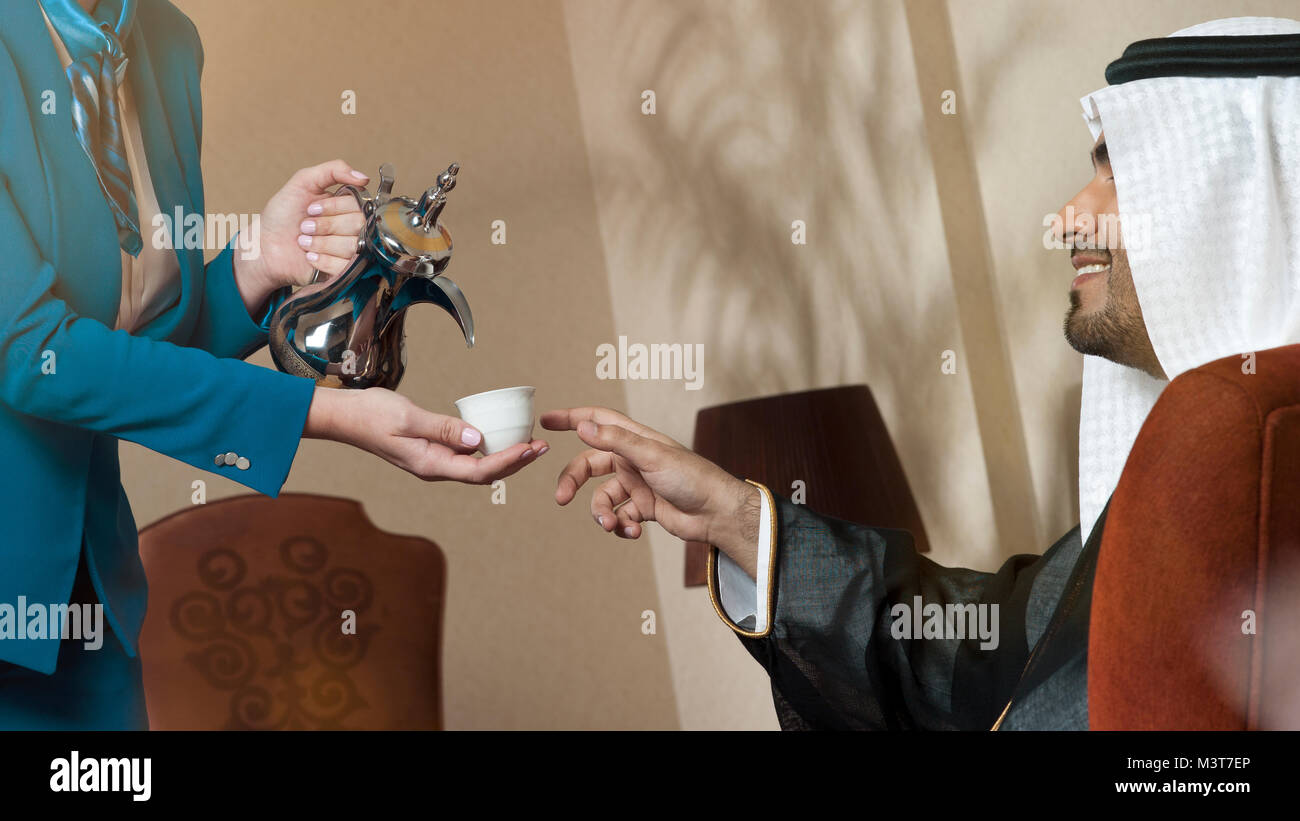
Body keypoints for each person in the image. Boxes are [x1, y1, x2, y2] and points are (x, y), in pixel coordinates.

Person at [542, 16, 1300, 729]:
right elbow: (984, 655)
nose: (1071, 217)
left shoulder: (1252, 471)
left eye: (1120, 178)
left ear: (1233, 198)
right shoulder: (1202, 469)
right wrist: (732, 515)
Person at [0, 0, 547, 729]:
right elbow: (35, 351)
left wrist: (259, 262)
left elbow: (138, 360)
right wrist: (325, 413)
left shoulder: (166, 43)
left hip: (90, 595)